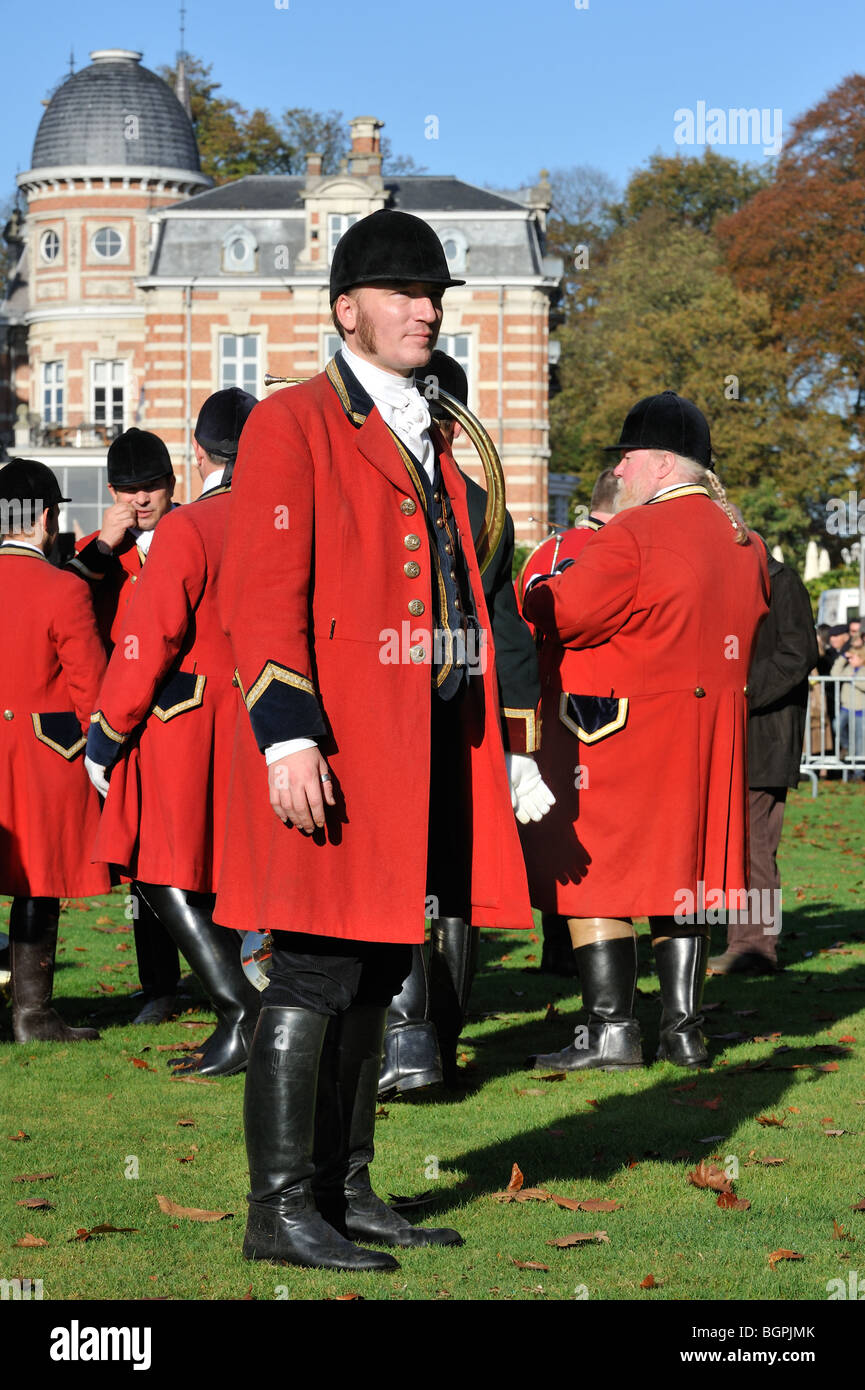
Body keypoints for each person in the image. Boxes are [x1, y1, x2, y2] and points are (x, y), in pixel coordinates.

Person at [215, 208, 535, 1270]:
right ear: (346, 308)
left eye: (434, 292)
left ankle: (344, 1189)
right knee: (309, 973)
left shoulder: (432, 429)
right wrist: (286, 737)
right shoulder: (291, 421)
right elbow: (264, 603)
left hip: (421, 745)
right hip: (337, 747)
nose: (426, 307)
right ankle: (276, 1208)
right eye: (404, 291)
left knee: (376, 970)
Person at [521, 391, 769, 1070]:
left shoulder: (630, 535)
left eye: (626, 459)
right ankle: (682, 1031)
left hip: (615, 733)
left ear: (659, 464)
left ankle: (610, 1034)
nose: (620, 472)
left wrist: (526, 583)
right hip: (706, 738)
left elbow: (557, 610)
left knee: (596, 878)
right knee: (682, 878)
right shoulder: (744, 541)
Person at [376, 350, 551, 1094]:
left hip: (389, 704)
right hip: (469, 705)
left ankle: (410, 1035)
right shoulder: (485, 503)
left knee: (396, 872)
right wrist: (518, 743)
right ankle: (439, 1038)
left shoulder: (392, 491)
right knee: (450, 875)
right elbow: (507, 628)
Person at [85, 391, 261, 1076]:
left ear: (194, 455)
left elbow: (148, 637)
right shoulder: (290, 515)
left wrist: (106, 731)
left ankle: (242, 1008)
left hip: (181, 715)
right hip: (270, 710)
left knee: (156, 859)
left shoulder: (197, 525)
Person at [69, 429, 181, 1025]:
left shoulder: (195, 532)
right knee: (139, 862)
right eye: (128, 490)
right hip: (126, 725)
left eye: (152, 488)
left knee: (206, 849)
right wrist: (101, 552)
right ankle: (158, 987)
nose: (141, 501)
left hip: (191, 715)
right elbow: (57, 603)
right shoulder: (98, 551)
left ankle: (234, 983)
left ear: (172, 484)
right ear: (111, 491)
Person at [0, 459, 110, 1041]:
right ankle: (33, 1013)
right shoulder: (64, 587)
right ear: (45, 517)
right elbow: (89, 686)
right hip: (41, 760)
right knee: (36, 883)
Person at [515, 467, 619, 976]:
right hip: (597, 703)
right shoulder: (615, 549)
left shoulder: (546, 550)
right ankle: (587, 958)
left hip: (540, 700)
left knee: (553, 821)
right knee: (594, 827)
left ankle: (557, 948)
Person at [708, 548, 818, 973]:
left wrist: (741, 690)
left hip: (764, 739)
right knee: (738, 846)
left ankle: (756, 947)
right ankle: (743, 940)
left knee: (755, 847)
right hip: (733, 737)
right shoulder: (736, 583)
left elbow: (799, 653)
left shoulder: (781, 581)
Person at [832, 637, 865, 770]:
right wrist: (843, 658)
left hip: (860, 711)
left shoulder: (862, 671)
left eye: (853, 658)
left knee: (860, 741)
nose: (850, 661)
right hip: (846, 708)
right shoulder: (848, 669)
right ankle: (846, 746)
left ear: (861, 658)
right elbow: (834, 674)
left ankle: (858, 772)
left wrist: (853, 680)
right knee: (837, 726)